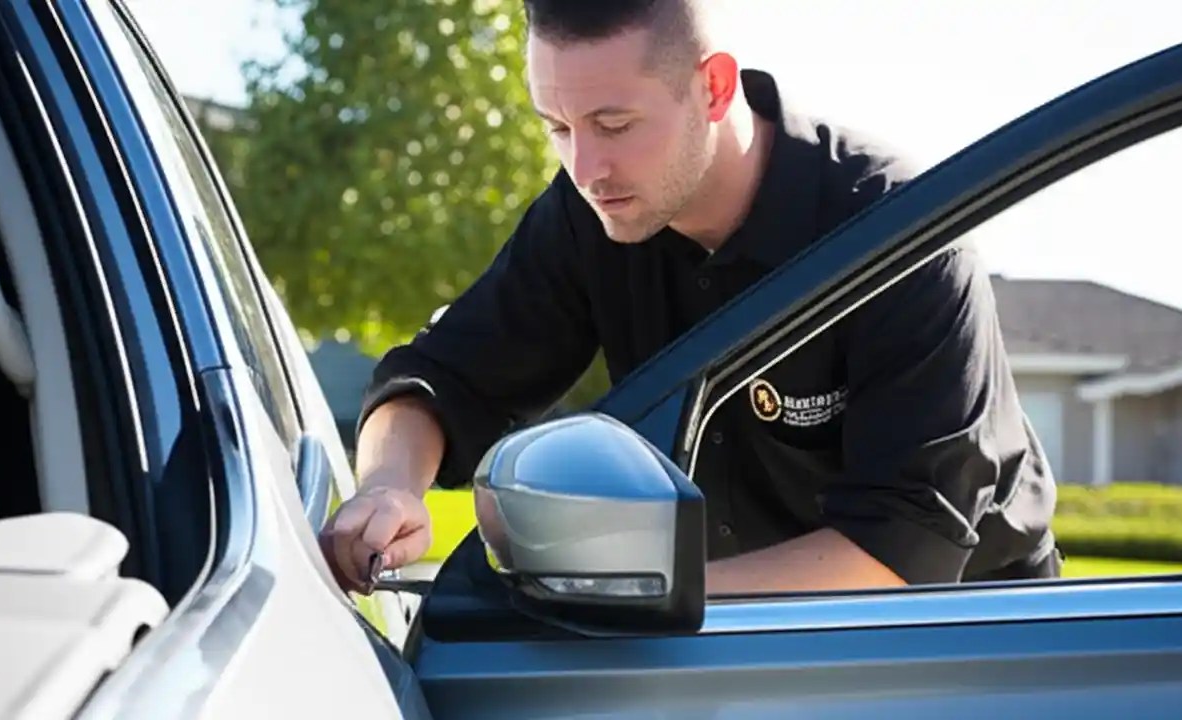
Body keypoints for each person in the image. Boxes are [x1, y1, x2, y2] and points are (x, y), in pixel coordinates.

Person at [320, 0, 1059, 596]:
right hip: (719, 642)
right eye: (557, 127)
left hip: (967, 645)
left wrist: (638, 597)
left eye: (613, 124)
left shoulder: (900, 235)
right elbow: (438, 376)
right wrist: (387, 488)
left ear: (712, 85)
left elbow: (902, 551)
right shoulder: (590, 218)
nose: (585, 166)